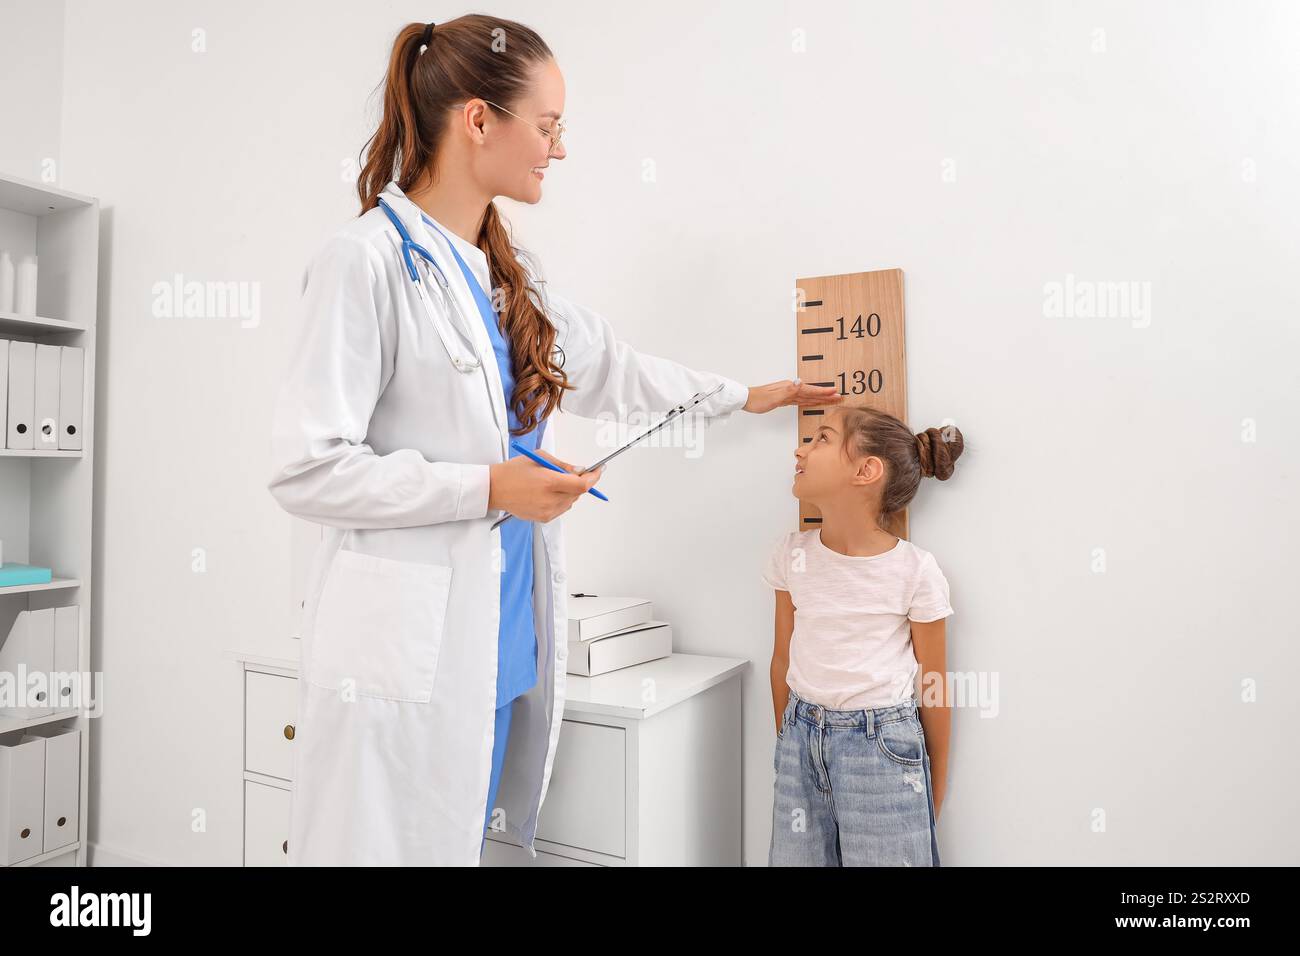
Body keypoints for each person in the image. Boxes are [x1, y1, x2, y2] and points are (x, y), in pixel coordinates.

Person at [267, 14, 840, 865]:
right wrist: (490, 488)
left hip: (501, 647)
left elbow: (617, 368)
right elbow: (307, 470)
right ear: (477, 120)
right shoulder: (365, 263)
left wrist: (745, 397)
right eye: (548, 125)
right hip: (403, 658)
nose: (559, 149)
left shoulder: (510, 275)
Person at [764, 405, 964, 865]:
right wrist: (788, 747)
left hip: (882, 751)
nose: (800, 448)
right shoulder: (790, 555)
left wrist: (933, 784)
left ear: (866, 470)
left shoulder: (915, 570)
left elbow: (932, 684)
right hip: (799, 740)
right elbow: (781, 661)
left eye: (821, 439)